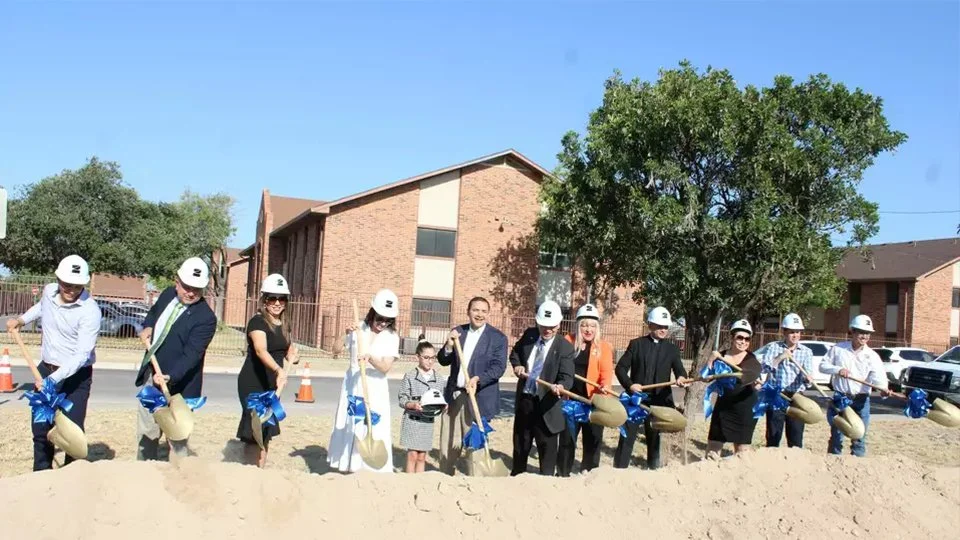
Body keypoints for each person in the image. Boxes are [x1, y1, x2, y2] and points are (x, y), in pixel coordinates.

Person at [6, 255, 101, 471]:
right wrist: (21, 320)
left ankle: (71, 479)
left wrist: (52, 380)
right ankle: (41, 475)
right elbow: (41, 308)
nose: (71, 290)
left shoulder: (90, 311)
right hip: (46, 369)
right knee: (41, 430)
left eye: (77, 286)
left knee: (72, 431)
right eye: (67, 284)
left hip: (76, 378)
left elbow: (81, 355)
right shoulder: (49, 291)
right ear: (58, 280)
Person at [135, 256, 217, 460]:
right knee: (147, 433)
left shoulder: (206, 318)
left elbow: (193, 355)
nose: (190, 293)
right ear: (177, 281)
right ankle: (146, 472)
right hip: (152, 378)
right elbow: (153, 314)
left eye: (196, 290)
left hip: (182, 387)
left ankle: (179, 480)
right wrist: (148, 325)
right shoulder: (166, 295)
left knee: (178, 440)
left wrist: (170, 376)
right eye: (187, 287)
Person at [328, 289, 400, 473]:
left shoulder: (392, 337)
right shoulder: (359, 328)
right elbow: (335, 351)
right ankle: (347, 465)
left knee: (372, 427)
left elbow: (385, 367)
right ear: (372, 313)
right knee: (351, 424)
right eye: (379, 319)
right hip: (353, 385)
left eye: (387, 320)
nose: (383, 323)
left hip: (375, 387)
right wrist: (344, 334)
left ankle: (370, 469)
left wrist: (371, 358)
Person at [436, 296, 508, 475]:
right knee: (450, 440)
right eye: (476, 310)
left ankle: (475, 479)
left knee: (474, 443)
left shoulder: (498, 338)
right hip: (455, 396)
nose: (479, 314)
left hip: (479, 397)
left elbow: (499, 367)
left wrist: (478, 379)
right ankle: (446, 474)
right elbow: (443, 360)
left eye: (484, 311)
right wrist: (449, 346)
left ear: (488, 314)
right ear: (468, 311)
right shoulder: (458, 332)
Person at [613, 306, 690, 469]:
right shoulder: (636, 345)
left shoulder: (672, 349)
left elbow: (679, 370)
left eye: (666, 327)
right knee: (627, 436)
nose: (663, 330)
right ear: (650, 325)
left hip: (659, 401)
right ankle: (619, 470)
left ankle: (653, 470)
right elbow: (620, 368)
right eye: (660, 326)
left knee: (655, 439)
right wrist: (630, 385)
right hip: (636, 400)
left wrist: (681, 377)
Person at [236, 273, 299, 468]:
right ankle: (247, 470)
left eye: (282, 299)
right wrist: (279, 370)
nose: (277, 303)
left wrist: (292, 357)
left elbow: (283, 350)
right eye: (273, 298)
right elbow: (260, 350)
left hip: (272, 384)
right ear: (264, 299)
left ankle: (259, 471)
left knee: (266, 431)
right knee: (254, 429)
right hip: (254, 381)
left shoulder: (284, 323)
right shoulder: (257, 322)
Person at [508, 300, 575, 476]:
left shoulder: (565, 347)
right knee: (521, 443)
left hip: (547, 405)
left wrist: (561, 386)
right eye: (544, 326)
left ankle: (546, 481)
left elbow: (567, 376)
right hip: (526, 401)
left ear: (559, 325)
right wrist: (518, 366)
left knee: (547, 449)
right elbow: (515, 353)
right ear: (537, 322)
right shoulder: (529, 335)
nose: (547, 330)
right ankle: (517, 475)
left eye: (552, 327)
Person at [819, 314, 889, 457]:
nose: (864, 336)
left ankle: (857, 468)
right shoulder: (838, 349)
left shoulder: (873, 356)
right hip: (841, 398)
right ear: (853, 331)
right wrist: (838, 370)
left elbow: (879, 377)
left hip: (861, 400)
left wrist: (883, 388)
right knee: (837, 436)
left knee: (859, 437)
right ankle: (833, 464)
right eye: (861, 332)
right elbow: (822, 366)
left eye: (867, 333)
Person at [556, 303, 614, 476]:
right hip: (570, 400)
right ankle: (563, 473)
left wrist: (605, 387)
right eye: (584, 325)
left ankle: (589, 474)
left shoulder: (603, 347)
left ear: (597, 327)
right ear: (578, 325)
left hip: (592, 401)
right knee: (567, 440)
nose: (588, 329)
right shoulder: (567, 342)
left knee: (593, 440)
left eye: (592, 325)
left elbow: (606, 373)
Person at [705, 319, 762, 459]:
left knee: (741, 450)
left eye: (747, 339)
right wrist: (711, 360)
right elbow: (706, 376)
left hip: (745, 408)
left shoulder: (751, 359)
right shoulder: (721, 356)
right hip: (723, 407)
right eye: (740, 337)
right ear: (731, 337)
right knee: (713, 447)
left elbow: (752, 374)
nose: (743, 341)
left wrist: (753, 381)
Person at [758, 313, 815, 448]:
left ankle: (794, 465)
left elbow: (808, 376)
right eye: (792, 332)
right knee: (773, 435)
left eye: (798, 332)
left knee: (796, 436)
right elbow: (764, 368)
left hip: (796, 397)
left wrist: (808, 378)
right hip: (776, 395)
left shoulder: (806, 352)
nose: (795, 335)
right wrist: (780, 358)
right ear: (784, 332)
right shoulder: (774, 347)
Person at [398, 336, 447, 473]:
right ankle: (409, 482)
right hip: (412, 421)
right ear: (417, 357)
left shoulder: (438, 379)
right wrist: (412, 405)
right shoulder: (410, 376)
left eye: (432, 358)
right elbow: (402, 398)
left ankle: (420, 483)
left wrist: (443, 406)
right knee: (412, 454)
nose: (430, 361)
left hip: (427, 422)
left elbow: (440, 399)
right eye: (426, 357)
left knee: (422, 456)